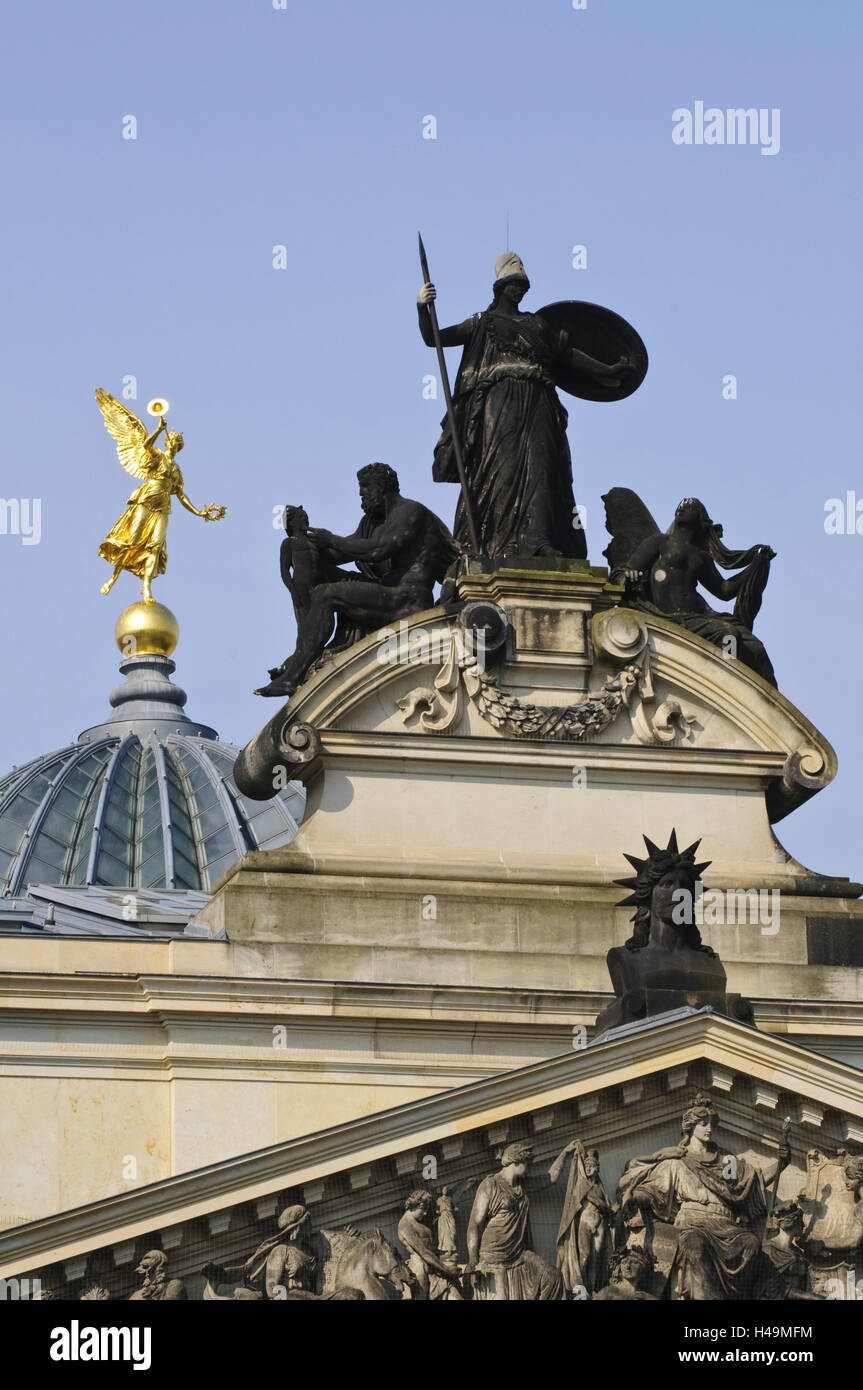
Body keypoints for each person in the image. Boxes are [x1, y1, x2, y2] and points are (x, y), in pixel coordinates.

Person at [418, 253, 630, 560]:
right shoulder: (481, 323)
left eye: (523, 285)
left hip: (538, 403)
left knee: (542, 468)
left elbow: (568, 356)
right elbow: (433, 338)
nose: (519, 290)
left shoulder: (537, 325)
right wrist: (422, 307)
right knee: (500, 471)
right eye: (514, 284)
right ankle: (499, 543)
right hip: (498, 405)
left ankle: (538, 540)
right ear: (500, 287)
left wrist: (608, 371)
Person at [256, 463, 458, 697]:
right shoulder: (372, 522)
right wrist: (304, 546)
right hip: (387, 592)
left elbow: (377, 550)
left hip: (407, 598)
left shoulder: (410, 512)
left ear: (381, 487)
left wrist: (331, 539)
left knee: (327, 594)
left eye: (365, 489)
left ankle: (292, 675)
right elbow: (343, 553)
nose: (361, 495)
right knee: (321, 578)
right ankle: (301, 653)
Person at [618, 1093, 790, 1300]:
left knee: (751, 1243)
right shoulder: (677, 1162)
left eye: (711, 1124)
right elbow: (652, 1191)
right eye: (703, 1123)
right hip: (694, 1223)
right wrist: (634, 1199)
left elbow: (754, 1181)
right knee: (695, 1245)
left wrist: (781, 1164)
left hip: (726, 1226)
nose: (709, 1128)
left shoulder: (727, 1162)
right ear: (690, 1127)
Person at [466, 1141, 565, 1300]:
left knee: (552, 1278)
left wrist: (565, 1153)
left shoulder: (522, 1185)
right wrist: (473, 1261)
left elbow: (551, 1177)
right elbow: (474, 1224)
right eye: (528, 1163)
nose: (530, 1168)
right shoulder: (490, 1184)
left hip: (518, 1254)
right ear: (516, 1161)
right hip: (493, 1258)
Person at [548, 1139, 616, 1294]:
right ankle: (582, 1286)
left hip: (599, 1223)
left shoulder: (600, 1187)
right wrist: (606, 1208)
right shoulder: (582, 1185)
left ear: (597, 1168)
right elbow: (598, 1202)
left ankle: (593, 1289)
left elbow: (607, 1205)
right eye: (586, 1166)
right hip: (585, 1222)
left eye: (591, 1166)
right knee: (585, 1255)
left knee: (598, 1256)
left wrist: (609, 1209)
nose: (589, 1168)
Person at [397, 1190, 463, 1300]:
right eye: (423, 1209)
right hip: (422, 1270)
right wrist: (447, 1270)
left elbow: (431, 1250)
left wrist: (446, 1255)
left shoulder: (418, 1222)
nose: (425, 1213)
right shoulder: (405, 1225)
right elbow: (423, 1252)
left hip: (436, 1268)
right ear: (414, 1205)